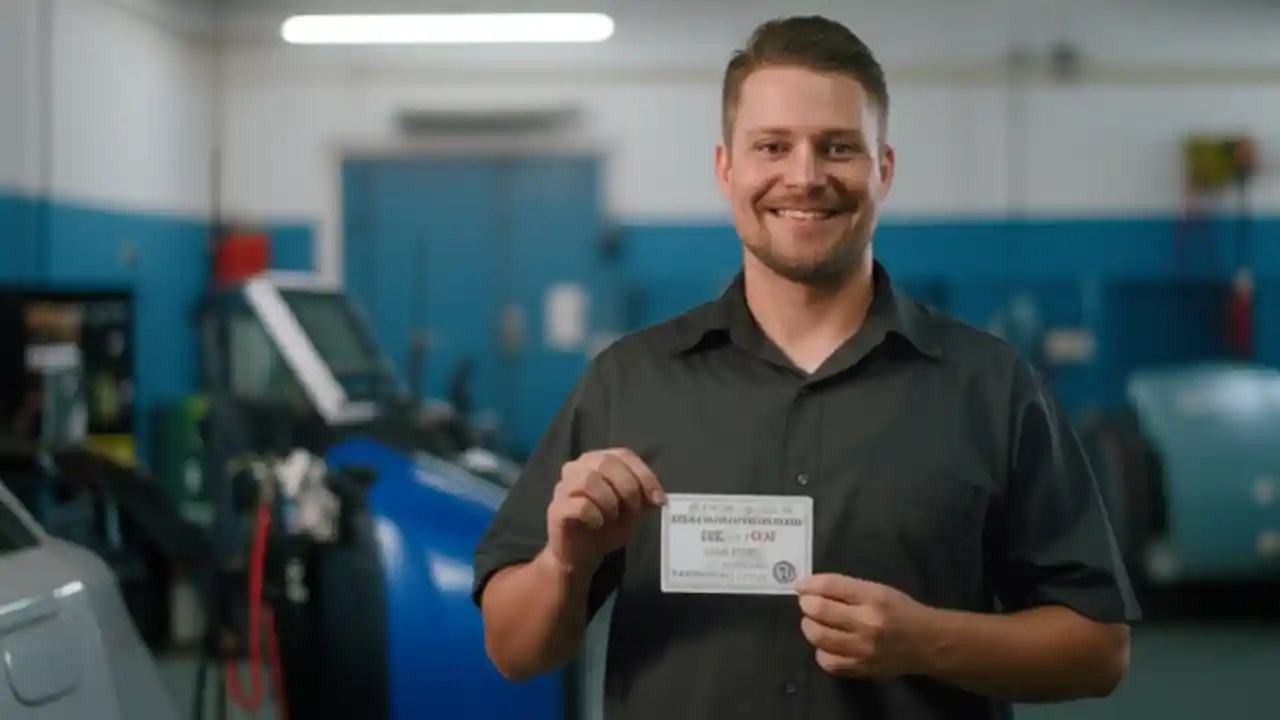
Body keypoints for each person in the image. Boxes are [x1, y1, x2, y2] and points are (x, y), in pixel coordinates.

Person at [472, 14, 1140, 719]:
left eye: (838, 147)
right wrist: (566, 563)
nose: (805, 175)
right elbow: (515, 652)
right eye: (772, 146)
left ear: (883, 169)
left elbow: (1098, 650)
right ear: (727, 168)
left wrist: (925, 640)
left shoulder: (992, 385)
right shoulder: (629, 383)